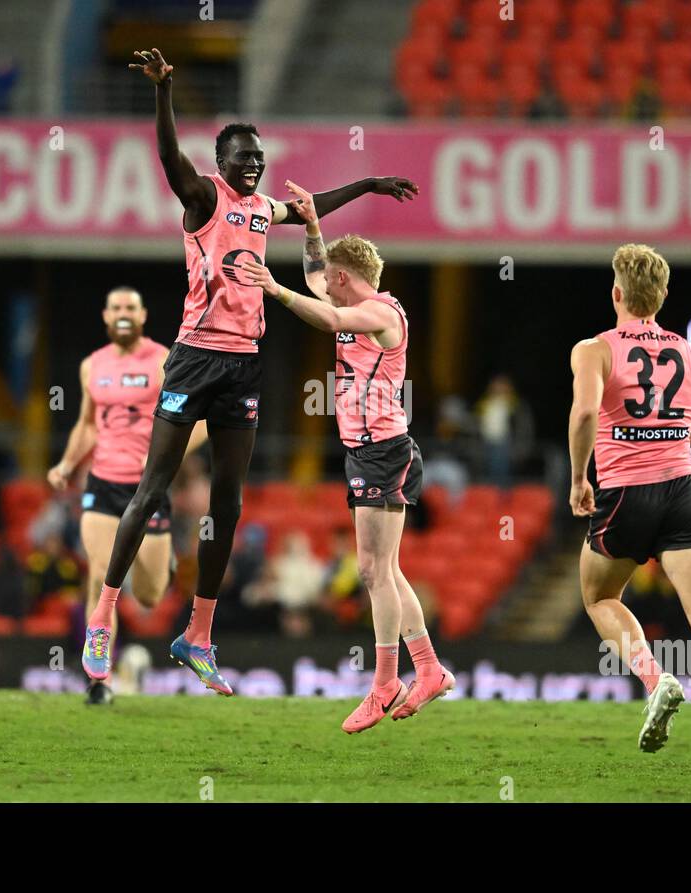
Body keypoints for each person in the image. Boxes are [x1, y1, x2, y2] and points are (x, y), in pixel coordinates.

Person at [81, 47, 419, 694]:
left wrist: (370, 185)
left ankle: (199, 635)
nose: (256, 164)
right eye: (245, 156)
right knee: (152, 490)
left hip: (243, 366)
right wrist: (163, 93)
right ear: (221, 163)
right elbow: (167, 159)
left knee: (228, 503)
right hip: (194, 359)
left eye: (260, 156)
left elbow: (312, 203)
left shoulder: (263, 209)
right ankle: (102, 616)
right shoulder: (203, 199)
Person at [243, 181, 452, 733]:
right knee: (383, 570)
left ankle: (385, 683)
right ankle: (428, 669)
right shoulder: (350, 294)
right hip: (368, 452)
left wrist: (273, 290)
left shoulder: (380, 313)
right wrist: (313, 227)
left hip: (383, 451)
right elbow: (319, 280)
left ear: (345, 279)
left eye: (330, 282)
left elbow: (330, 315)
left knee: (372, 571)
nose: (324, 289)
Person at [568, 243, 691, 788]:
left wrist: (581, 477)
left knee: (600, 597)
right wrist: (665, 434)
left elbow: (584, 412)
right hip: (682, 493)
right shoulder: (690, 356)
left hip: (627, 492)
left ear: (617, 293)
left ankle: (655, 681)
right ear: (664, 295)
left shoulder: (593, 351)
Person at [50, 286, 207, 706]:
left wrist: (159, 460)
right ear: (105, 316)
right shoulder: (91, 366)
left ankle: (160, 563)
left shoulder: (162, 360)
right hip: (101, 486)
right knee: (100, 574)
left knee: (150, 595)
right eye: (116, 306)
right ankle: (99, 681)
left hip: (149, 489)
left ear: (142, 315)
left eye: (130, 307)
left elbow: (202, 424)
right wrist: (67, 464)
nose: (123, 313)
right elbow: (86, 424)